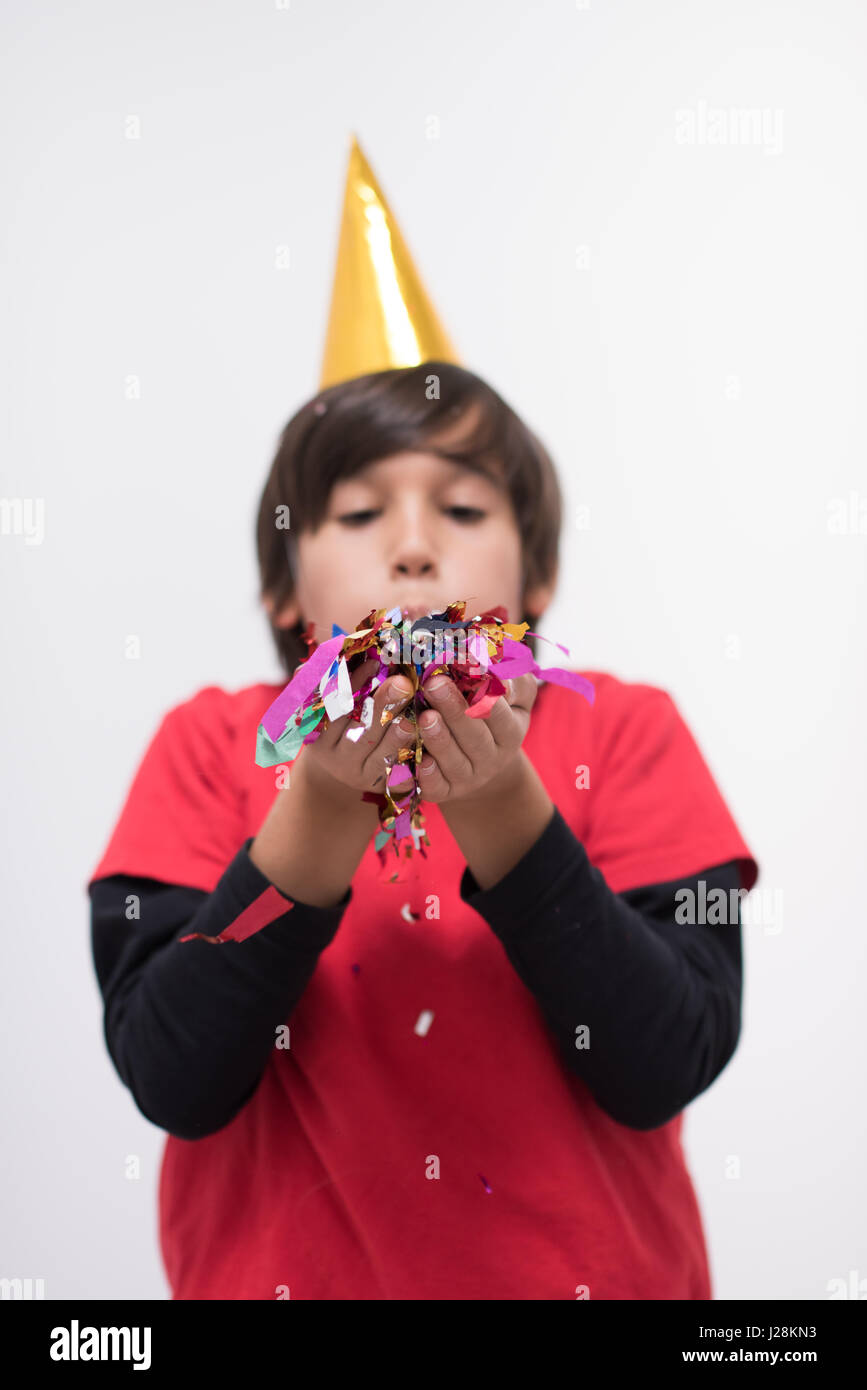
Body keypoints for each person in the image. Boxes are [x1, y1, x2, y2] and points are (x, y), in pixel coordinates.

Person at [88, 361, 758, 1300]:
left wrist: (496, 800)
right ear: (284, 588)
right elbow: (174, 1076)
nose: (411, 549)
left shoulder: (631, 732)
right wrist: (321, 801)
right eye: (360, 515)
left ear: (541, 575)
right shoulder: (204, 746)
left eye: (465, 511)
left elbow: (663, 1062)